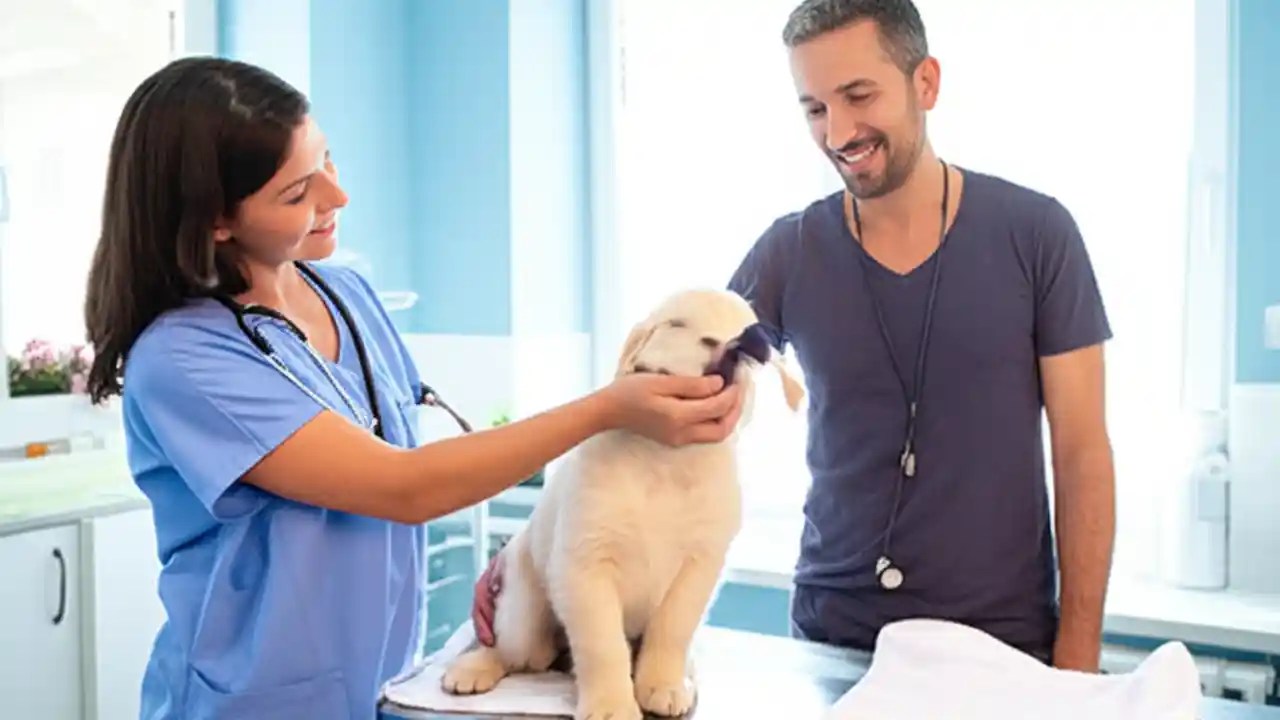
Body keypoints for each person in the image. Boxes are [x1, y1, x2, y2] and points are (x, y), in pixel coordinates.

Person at [82, 56, 744, 720]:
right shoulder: (186, 359)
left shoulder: (345, 295)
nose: (337, 198)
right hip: (256, 702)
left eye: (328, 162)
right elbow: (405, 487)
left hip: (383, 688)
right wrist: (608, 410)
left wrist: (528, 563)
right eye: (298, 193)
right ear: (216, 221)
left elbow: (422, 473)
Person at [472, 0, 1116, 672]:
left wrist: (1077, 658)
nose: (838, 131)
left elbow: (1081, 455)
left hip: (1006, 647)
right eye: (814, 108)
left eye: (858, 95)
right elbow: (665, 415)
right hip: (832, 641)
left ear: (925, 82)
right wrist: (533, 554)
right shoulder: (790, 252)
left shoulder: (1038, 237)